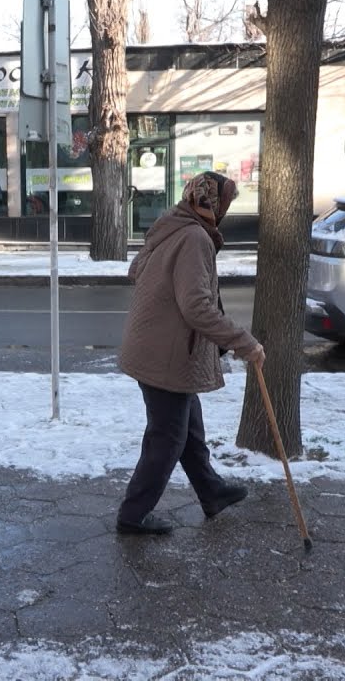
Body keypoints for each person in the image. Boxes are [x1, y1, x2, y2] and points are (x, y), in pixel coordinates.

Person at [116, 171, 265, 535]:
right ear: (212, 203)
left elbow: (138, 270)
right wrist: (244, 342)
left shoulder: (173, 225)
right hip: (165, 355)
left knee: (189, 428)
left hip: (158, 348)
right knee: (167, 437)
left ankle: (211, 491)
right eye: (226, 200)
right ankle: (133, 515)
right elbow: (197, 306)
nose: (228, 207)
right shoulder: (194, 237)